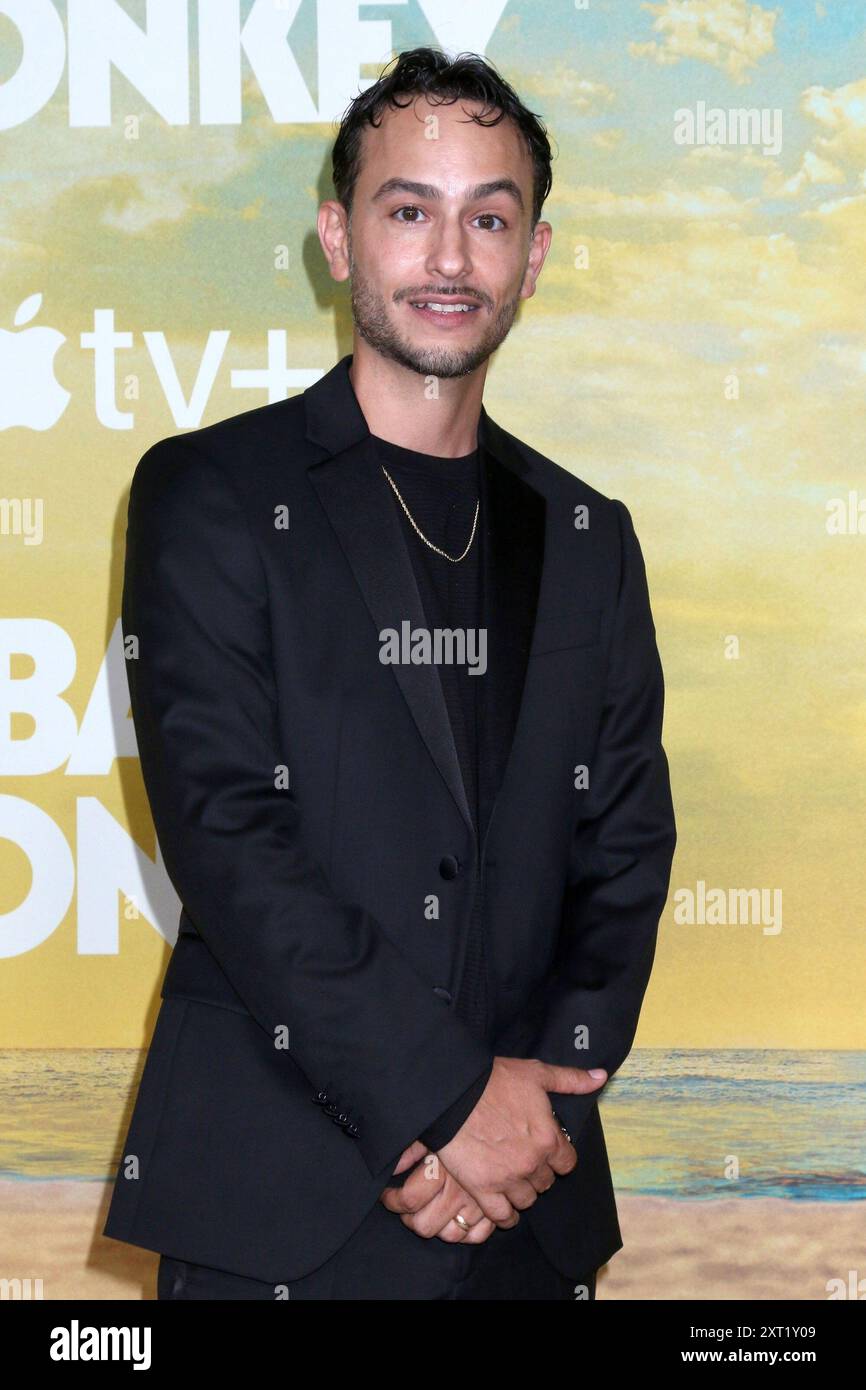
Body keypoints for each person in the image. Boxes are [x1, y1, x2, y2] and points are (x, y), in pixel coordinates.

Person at [103, 47, 676, 1301]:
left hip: (529, 1209)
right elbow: (225, 833)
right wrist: (446, 1105)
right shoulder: (209, 493)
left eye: (488, 218)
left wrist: (530, 1126)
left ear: (531, 257)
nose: (448, 256)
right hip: (282, 1201)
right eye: (407, 209)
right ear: (336, 238)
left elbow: (623, 852)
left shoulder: (589, 534)